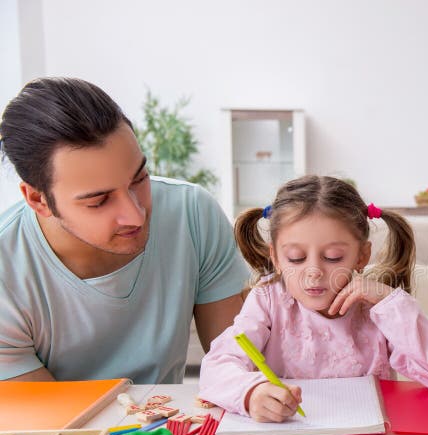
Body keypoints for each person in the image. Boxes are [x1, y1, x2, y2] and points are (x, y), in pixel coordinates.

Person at [0, 77, 249, 383]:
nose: (136, 214)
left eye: (139, 178)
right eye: (100, 200)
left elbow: (238, 367)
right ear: (38, 199)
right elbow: (49, 423)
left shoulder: (192, 213)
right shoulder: (6, 269)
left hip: (171, 428)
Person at [199, 175, 428, 421]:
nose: (314, 273)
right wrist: (250, 394)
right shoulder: (269, 301)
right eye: (296, 258)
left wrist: (390, 302)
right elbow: (215, 369)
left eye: (333, 257)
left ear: (362, 256)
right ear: (276, 258)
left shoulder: (377, 308)